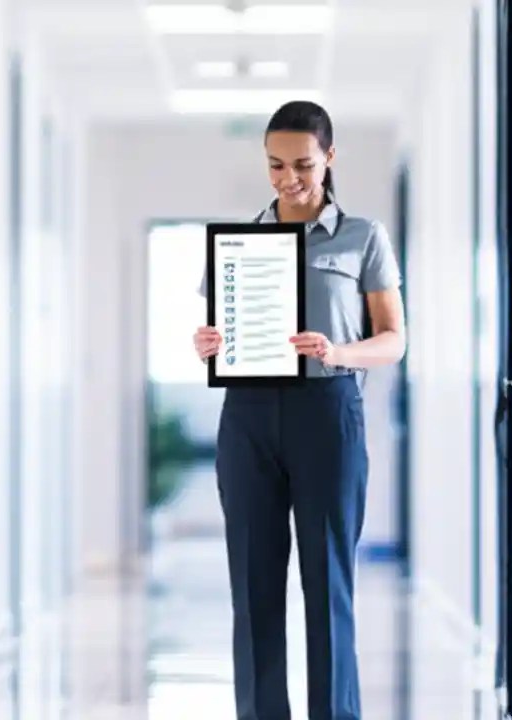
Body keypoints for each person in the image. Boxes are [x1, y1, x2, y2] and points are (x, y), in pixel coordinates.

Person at [192, 100, 406, 720]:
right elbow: (218, 329)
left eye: (303, 164)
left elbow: (395, 338)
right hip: (249, 417)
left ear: (330, 157)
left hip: (328, 411)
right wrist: (206, 344)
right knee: (254, 590)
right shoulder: (239, 241)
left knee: (328, 582)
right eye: (276, 164)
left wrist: (339, 350)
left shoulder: (363, 237)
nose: (289, 178)